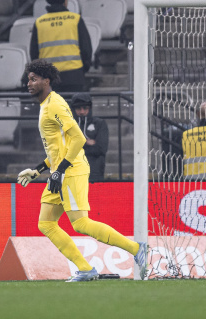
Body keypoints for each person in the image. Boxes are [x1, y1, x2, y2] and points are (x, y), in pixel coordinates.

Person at [15, 59, 148, 282]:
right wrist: (37, 171)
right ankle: (86, 269)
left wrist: (60, 171)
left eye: (34, 79)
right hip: (60, 171)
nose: (29, 83)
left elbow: (78, 137)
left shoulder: (55, 104)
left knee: (80, 223)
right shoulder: (46, 104)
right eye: (28, 79)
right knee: (46, 223)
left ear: (46, 81)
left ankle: (136, 248)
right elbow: (57, 150)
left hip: (72, 170)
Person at [29, 0, 92, 93]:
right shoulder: (75, 19)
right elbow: (86, 49)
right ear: (65, 1)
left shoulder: (40, 23)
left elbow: (34, 53)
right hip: (74, 76)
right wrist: (82, 70)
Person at [70, 93, 108, 182]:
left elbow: (101, 149)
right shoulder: (68, 125)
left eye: (85, 108)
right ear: (73, 109)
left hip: (94, 171)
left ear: (89, 108)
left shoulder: (100, 123)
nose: (82, 111)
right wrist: (86, 142)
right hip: (72, 171)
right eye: (79, 108)